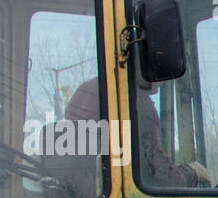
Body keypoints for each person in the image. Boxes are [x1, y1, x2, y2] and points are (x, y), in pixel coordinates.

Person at [64, 76, 210, 189]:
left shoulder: (87, 91)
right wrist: (193, 172)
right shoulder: (132, 101)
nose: (163, 81)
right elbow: (159, 176)